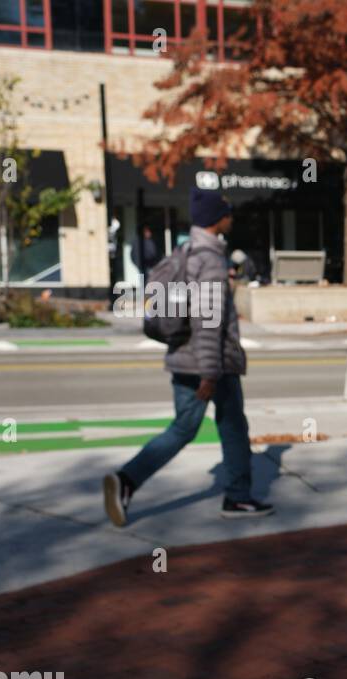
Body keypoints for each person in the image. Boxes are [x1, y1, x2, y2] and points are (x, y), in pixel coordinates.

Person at [103, 187, 274, 526]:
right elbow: (208, 323)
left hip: (182, 357)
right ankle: (237, 498)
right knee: (233, 427)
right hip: (211, 363)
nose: (231, 216)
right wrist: (210, 373)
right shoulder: (210, 259)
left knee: (185, 427)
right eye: (227, 212)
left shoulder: (184, 251)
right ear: (217, 219)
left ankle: (127, 481)